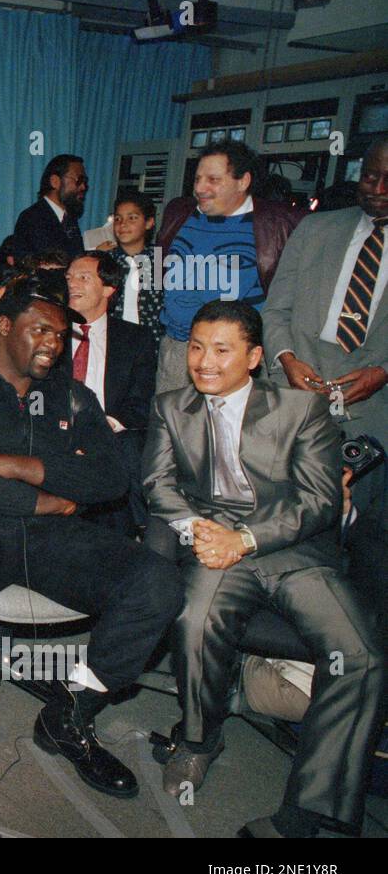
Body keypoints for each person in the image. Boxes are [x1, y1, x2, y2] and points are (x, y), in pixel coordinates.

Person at [0, 279, 182, 798]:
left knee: (157, 581)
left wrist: (23, 466)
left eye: (60, 335)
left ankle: (73, 711)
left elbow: (109, 478)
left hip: (52, 535)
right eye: (41, 330)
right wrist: (50, 495)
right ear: (3, 327)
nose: (53, 344)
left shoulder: (72, 396)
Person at [144, 300, 383, 838]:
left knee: (361, 655)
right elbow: (157, 485)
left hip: (293, 551)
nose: (204, 361)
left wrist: (245, 538)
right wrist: (200, 532)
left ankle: (310, 811)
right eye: (197, 348)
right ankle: (200, 738)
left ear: (253, 357)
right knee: (195, 622)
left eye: (222, 350)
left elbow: (319, 501)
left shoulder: (302, 409)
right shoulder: (170, 406)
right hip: (214, 546)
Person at [262, 137, 388, 583]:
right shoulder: (316, 229)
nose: (377, 188)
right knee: (287, 524)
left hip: (375, 412)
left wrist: (383, 369)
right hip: (299, 395)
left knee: (364, 540)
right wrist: (286, 359)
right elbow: (275, 309)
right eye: (370, 176)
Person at [156, 141, 305, 393]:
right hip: (178, 352)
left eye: (213, 179)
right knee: (173, 428)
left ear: (243, 181)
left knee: (236, 430)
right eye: (197, 179)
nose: (200, 188)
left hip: (235, 358)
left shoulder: (279, 224)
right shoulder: (178, 213)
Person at [64, 251, 157, 536]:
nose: (72, 284)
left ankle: (140, 533)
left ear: (108, 288)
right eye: (69, 278)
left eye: (83, 277)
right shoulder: (49, 331)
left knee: (130, 450)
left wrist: (106, 425)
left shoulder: (135, 339)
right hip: (59, 431)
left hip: (113, 436)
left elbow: (141, 404)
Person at [107, 189, 164, 341]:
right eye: (118, 219)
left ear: (149, 222)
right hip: (111, 339)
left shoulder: (159, 261)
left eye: (132, 218)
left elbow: (159, 306)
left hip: (148, 341)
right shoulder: (106, 261)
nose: (123, 224)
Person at [11, 154, 87, 259]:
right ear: (55, 181)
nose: (83, 187)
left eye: (85, 181)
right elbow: (51, 261)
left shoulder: (69, 220)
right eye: (79, 180)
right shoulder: (33, 218)